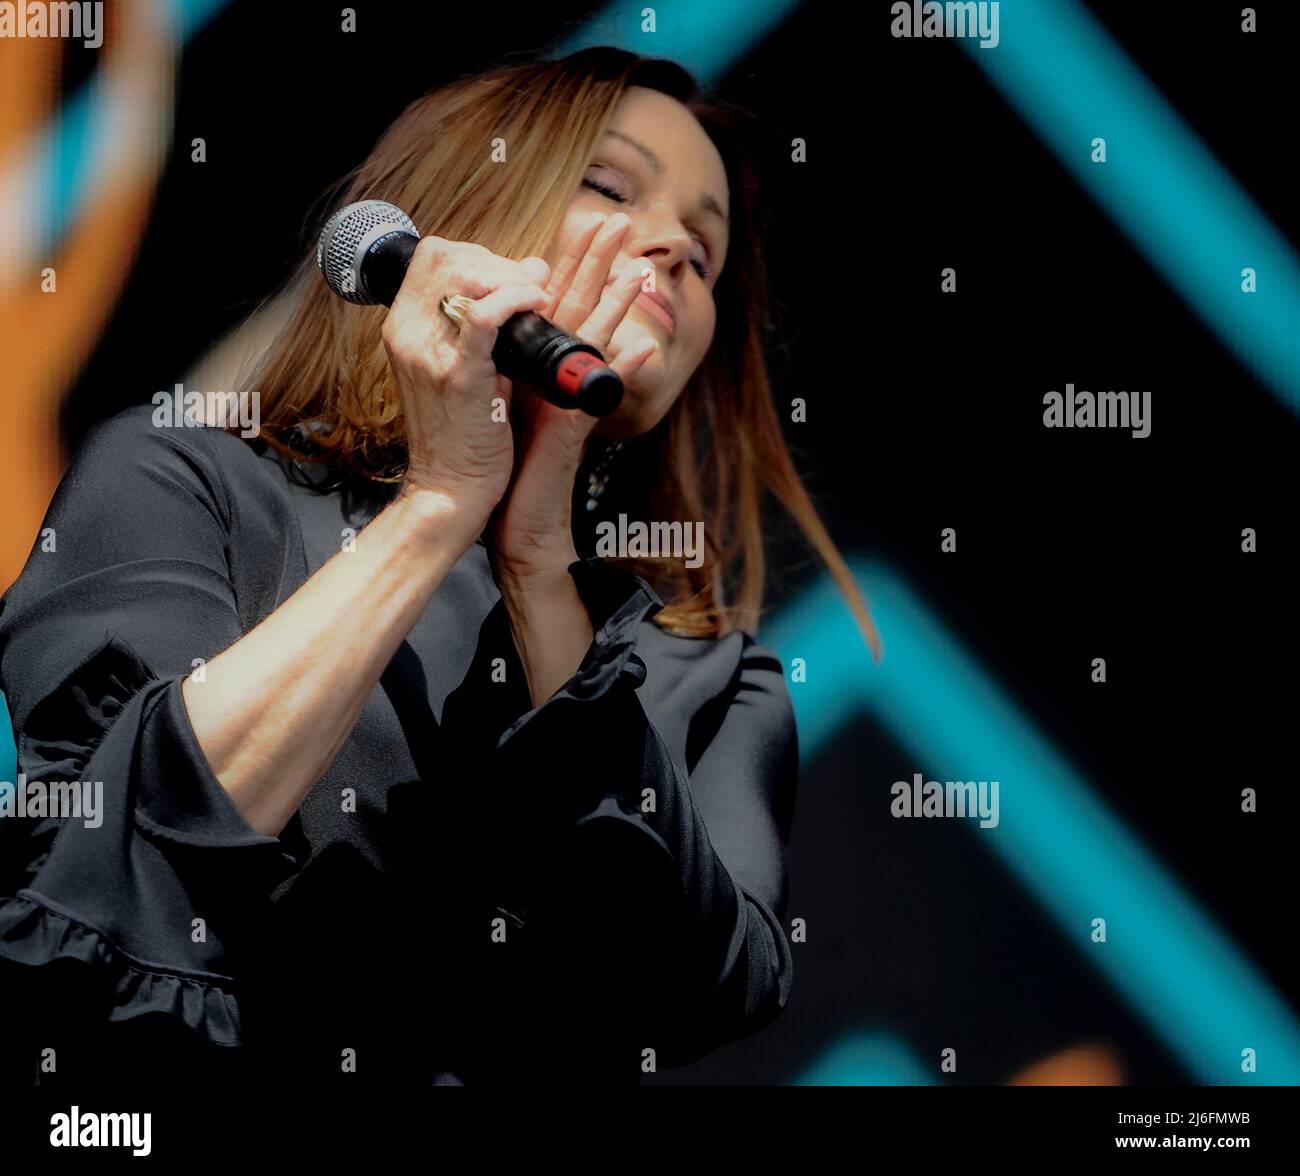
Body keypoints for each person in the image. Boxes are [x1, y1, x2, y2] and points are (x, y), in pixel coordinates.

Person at [0, 46, 878, 1089]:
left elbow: (699, 985)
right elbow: (142, 840)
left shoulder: (713, 677)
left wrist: (538, 564)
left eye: (704, 246)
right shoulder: (182, 476)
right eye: (608, 185)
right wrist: (439, 503)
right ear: (453, 220)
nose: (674, 252)